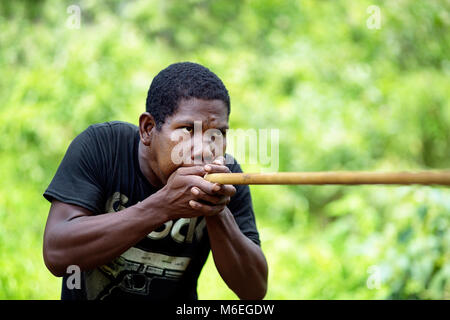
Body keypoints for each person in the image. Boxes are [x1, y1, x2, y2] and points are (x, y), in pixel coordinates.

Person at [42, 62, 268, 300]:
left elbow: (253, 291)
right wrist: (162, 205)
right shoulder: (103, 147)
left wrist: (217, 212)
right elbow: (57, 255)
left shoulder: (228, 179)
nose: (204, 149)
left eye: (217, 134)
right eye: (188, 130)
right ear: (148, 129)